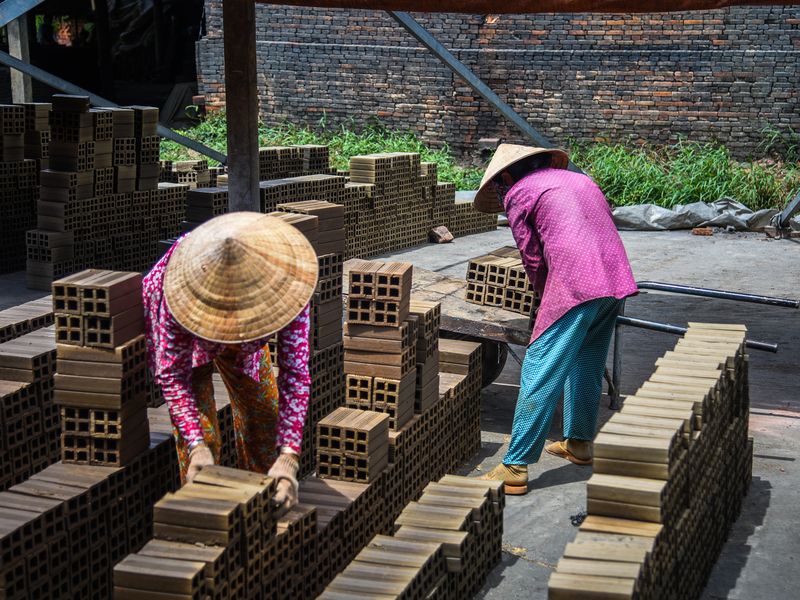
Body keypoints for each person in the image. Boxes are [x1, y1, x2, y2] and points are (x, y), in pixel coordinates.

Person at [474, 144, 637, 495]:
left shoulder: (519, 192)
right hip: (614, 277)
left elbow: (532, 257)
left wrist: (545, 297)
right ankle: (579, 443)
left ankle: (515, 466)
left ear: (506, 176)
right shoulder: (580, 180)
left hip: (578, 283)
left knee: (539, 364)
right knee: (587, 361)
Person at [143, 212, 318, 515]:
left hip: (247, 329)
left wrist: (289, 456)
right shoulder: (175, 294)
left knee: (264, 415)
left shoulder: (289, 284)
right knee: (204, 435)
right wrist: (196, 445)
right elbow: (174, 376)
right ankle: (204, 516)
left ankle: (265, 505)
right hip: (192, 336)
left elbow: (295, 374)